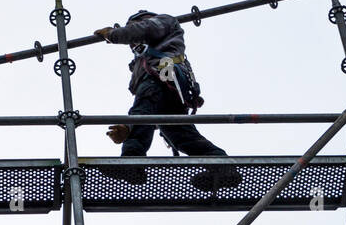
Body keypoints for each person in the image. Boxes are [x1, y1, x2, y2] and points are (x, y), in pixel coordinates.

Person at [94, 10, 241, 190]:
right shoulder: (143, 57)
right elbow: (148, 113)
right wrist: (132, 130)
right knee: (180, 135)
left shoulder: (161, 22)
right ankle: (223, 168)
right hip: (169, 87)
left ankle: (132, 164)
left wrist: (113, 34)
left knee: (144, 115)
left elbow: (144, 29)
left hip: (159, 77)